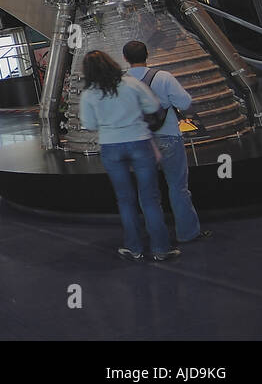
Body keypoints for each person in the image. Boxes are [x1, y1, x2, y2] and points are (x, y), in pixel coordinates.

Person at [77, 50, 179, 261]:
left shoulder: (89, 94)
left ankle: (135, 248)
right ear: (112, 63)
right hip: (140, 142)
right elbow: (153, 106)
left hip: (111, 147)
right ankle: (161, 249)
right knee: (150, 199)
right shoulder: (131, 84)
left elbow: (89, 124)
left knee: (125, 200)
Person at [122, 40, 211, 244]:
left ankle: (157, 237)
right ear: (147, 55)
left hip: (139, 142)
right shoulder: (163, 77)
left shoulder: (121, 83)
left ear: (125, 58)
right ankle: (188, 233)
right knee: (178, 187)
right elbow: (185, 103)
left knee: (147, 192)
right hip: (168, 135)